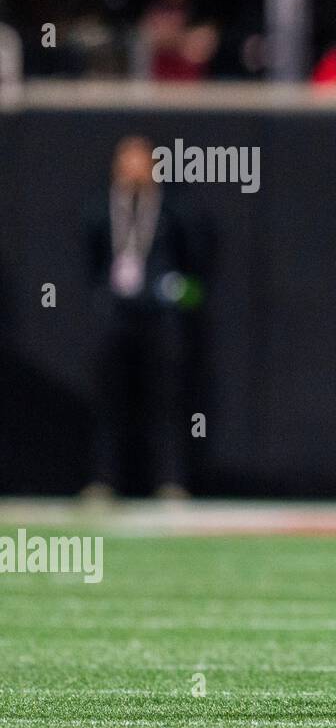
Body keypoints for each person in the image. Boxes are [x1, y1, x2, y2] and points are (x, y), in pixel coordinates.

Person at [83, 135, 202, 501]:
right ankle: (104, 480)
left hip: (160, 316)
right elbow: (91, 261)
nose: (133, 169)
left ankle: (170, 480)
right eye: (126, 160)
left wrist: (177, 298)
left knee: (166, 399)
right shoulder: (101, 210)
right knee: (109, 399)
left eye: (140, 160)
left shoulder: (172, 212)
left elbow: (194, 268)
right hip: (116, 314)